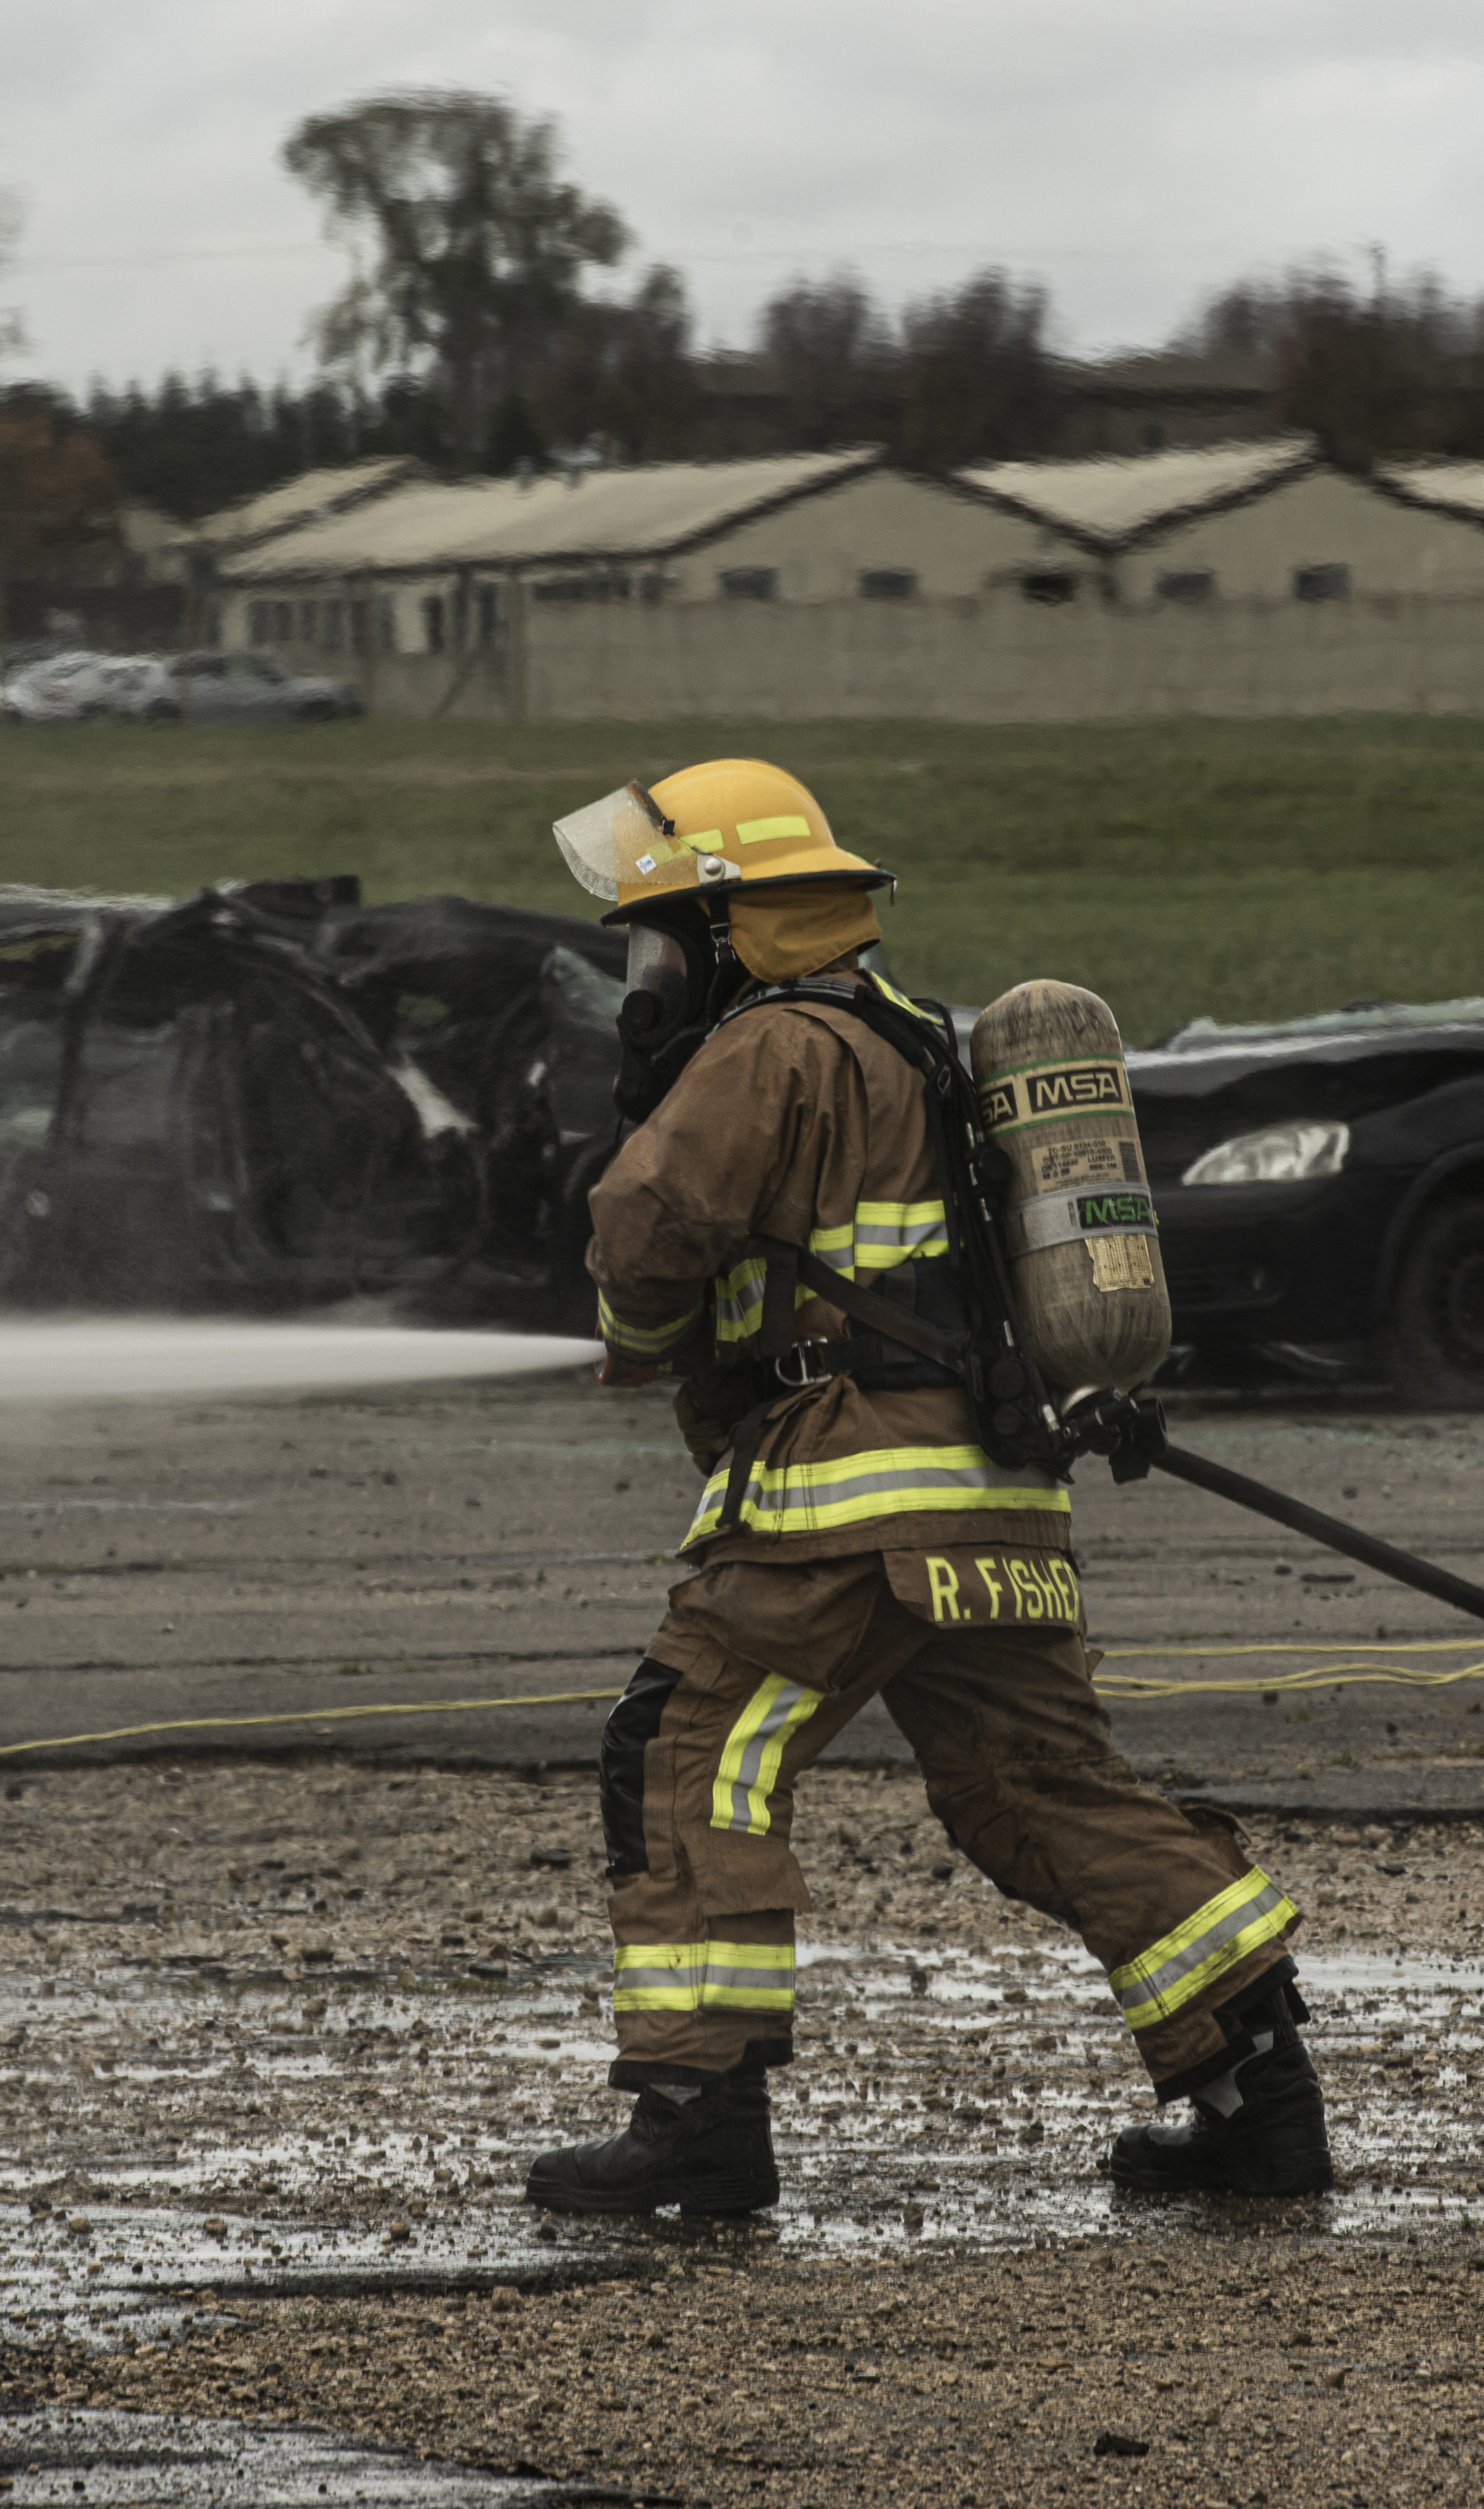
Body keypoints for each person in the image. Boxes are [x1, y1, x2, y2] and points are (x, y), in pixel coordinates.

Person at [524, 758, 1327, 2217]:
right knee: (1046, 1789)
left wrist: (629, 1334)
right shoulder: (911, 1042)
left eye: (657, 943)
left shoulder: (772, 1047)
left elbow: (653, 1228)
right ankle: (1258, 2099)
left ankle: (698, 2117)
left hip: (846, 1503)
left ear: (728, 926)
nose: (644, 982)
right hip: (991, 1502)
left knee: (687, 1755)